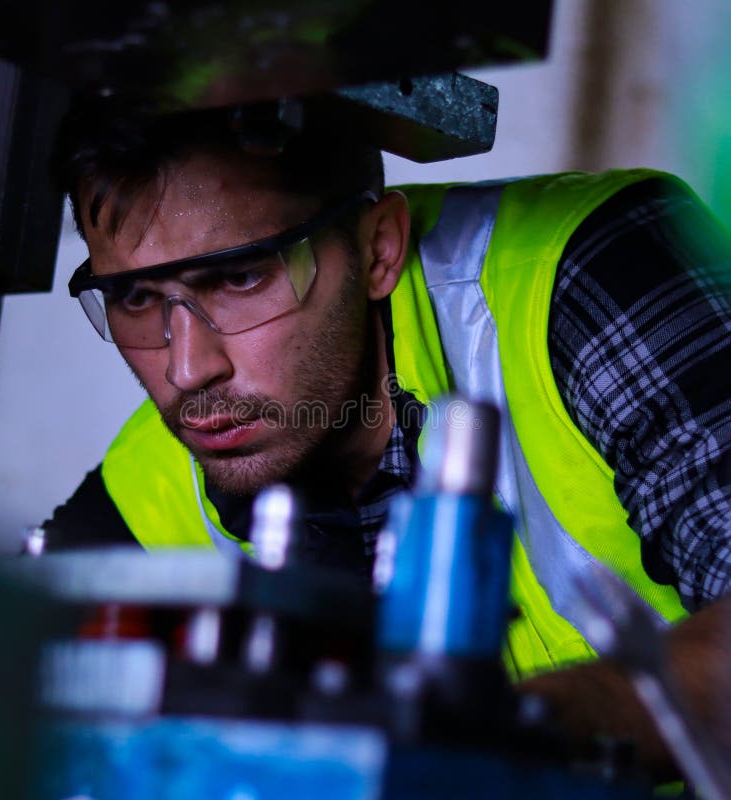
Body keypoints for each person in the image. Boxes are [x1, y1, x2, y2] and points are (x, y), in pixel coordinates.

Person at [47, 104, 731, 779]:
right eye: (136, 297)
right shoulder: (141, 490)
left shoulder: (583, 274)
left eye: (240, 276)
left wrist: (527, 730)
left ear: (378, 249)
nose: (188, 368)